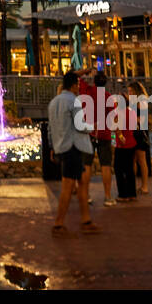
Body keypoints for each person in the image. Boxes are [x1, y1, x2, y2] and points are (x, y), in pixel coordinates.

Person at [47, 71, 101, 235]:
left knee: (82, 183)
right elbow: (80, 125)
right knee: (68, 185)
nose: (79, 87)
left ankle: (86, 220)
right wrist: (93, 127)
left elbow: (51, 128)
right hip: (73, 147)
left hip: (62, 147)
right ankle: (58, 223)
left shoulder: (54, 102)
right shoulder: (73, 101)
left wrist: (52, 147)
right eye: (78, 84)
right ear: (73, 85)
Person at [86, 71, 116, 206]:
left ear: (94, 81)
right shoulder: (108, 97)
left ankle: (86, 195)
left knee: (87, 165)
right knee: (106, 165)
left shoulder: (88, 94)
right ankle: (108, 196)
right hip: (105, 134)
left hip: (90, 133)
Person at [127, 80, 151, 195]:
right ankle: (134, 186)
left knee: (141, 160)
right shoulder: (134, 102)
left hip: (140, 133)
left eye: (131, 91)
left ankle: (145, 186)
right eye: (129, 91)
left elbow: (142, 119)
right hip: (133, 132)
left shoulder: (142, 102)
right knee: (133, 160)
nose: (129, 93)